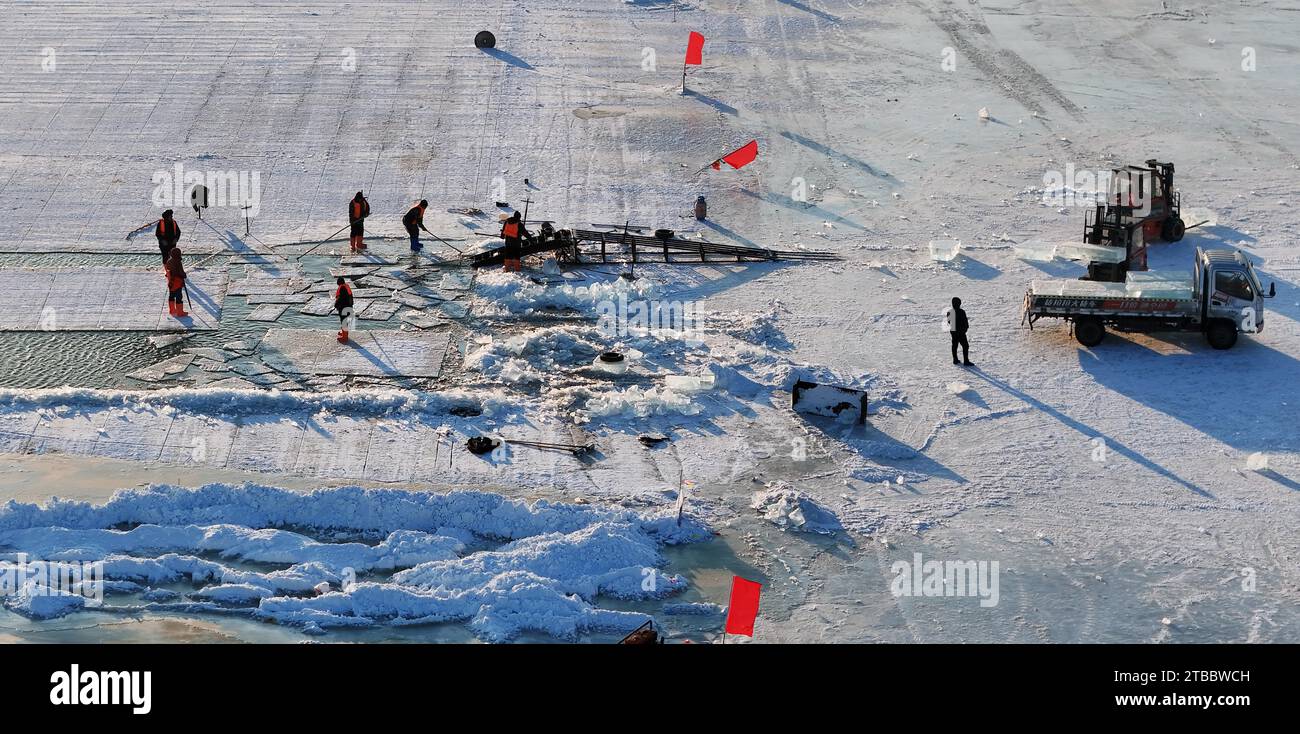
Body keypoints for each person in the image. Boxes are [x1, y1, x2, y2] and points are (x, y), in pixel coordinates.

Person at [947, 296, 972, 366]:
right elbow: (965, 322)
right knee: (965, 346)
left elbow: (949, 322)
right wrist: (965, 329)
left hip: (953, 331)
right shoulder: (961, 312)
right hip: (961, 332)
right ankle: (966, 361)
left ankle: (955, 359)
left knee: (954, 345)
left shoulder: (949, 312)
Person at [164, 247, 188, 317]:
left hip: (171, 282)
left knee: (171, 295)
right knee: (179, 296)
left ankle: (172, 310)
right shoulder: (178, 262)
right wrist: (184, 275)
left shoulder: (169, 261)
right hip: (177, 282)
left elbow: (167, 271)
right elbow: (180, 272)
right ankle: (180, 312)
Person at [334, 276, 354, 343]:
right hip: (348, 306)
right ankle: (344, 334)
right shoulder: (346, 286)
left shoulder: (342, 288)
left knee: (344, 322)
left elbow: (340, 299)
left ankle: (345, 337)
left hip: (344, 307)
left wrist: (336, 305)